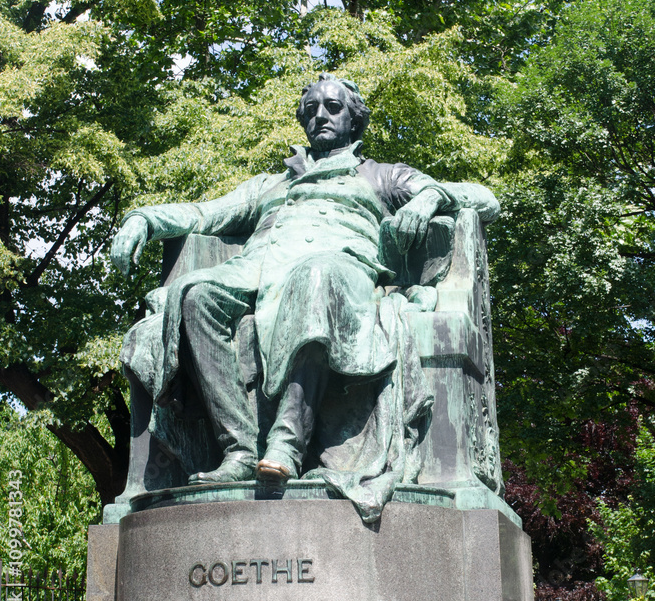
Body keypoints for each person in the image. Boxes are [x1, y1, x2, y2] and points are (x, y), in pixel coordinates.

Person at [112, 74, 499, 520]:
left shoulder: (380, 175)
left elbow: (484, 199)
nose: (320, 115)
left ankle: (287, 443)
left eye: (332, 108)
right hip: (255, 273)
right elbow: (204, 213)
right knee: (195, 295)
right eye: (311, 109)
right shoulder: (272, 184)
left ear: (354, 120)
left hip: (336, 271)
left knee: (313, 278)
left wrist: (428, 198)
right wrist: (142, 219)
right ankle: (238, 450)